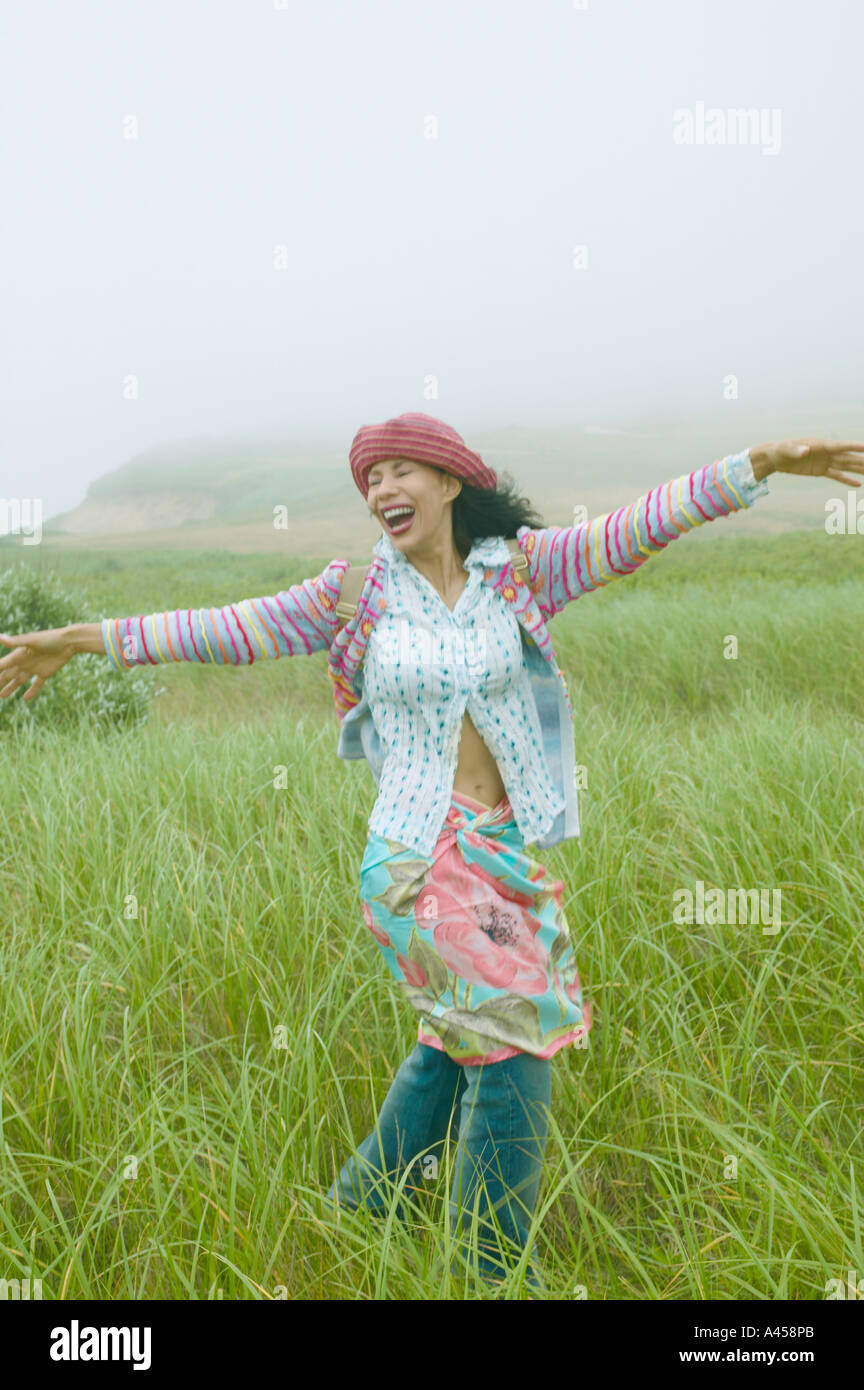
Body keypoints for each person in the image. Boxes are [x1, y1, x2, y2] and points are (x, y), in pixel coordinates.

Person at [2, 414, 862, 1294]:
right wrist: (78, 640)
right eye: (369, 478)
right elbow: (224, 628)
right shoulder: (353, 595)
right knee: (515, 1038)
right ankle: (492, 1275)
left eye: (399, 469)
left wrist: (761, 463)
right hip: (413, 860)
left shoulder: (521, 571)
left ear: (450, 483)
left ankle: (363, 1206)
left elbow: (639, 525)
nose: (380, 490)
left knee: (459, 1043)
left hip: (499, 851)